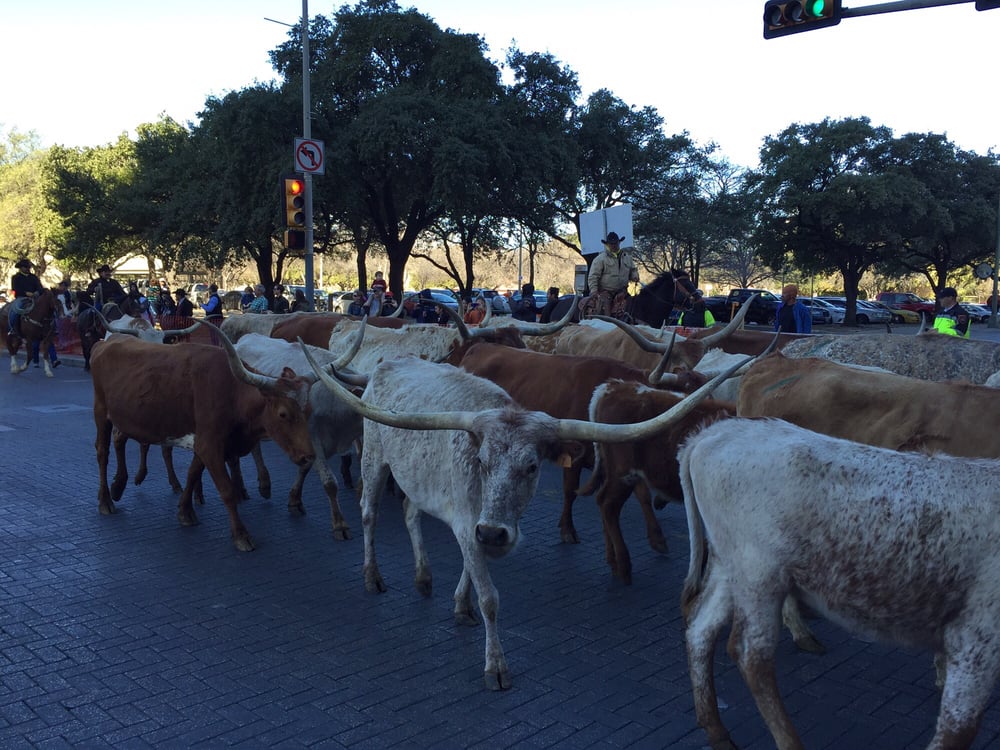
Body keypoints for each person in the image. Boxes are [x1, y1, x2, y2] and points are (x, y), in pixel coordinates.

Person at [587, 232, 640, 318]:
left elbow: (633, 270)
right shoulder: (600, 259)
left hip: (622, 291)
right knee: (604, 312)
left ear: (619, 243)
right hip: (605, 292)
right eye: (611, 244)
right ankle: (604, 326)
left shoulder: (627, 257)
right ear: (607, 245)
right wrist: (594, 291)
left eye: (615, 243)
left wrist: (635, 276)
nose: (613, 245)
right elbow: (593, 276)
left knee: (634, 306)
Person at [8, 258, 43, 336]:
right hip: (21, 298)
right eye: (26, 267)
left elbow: (40, 287)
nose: (28, 269)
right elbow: (15, 288)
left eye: (29, 267)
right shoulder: (16, 277)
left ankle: (51, 328)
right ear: (21, 268)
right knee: (15, 311)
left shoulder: (34, 277)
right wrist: (26, 293)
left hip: (35, 298)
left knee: (48, 308)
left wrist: (37, 292)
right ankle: (12, 329)